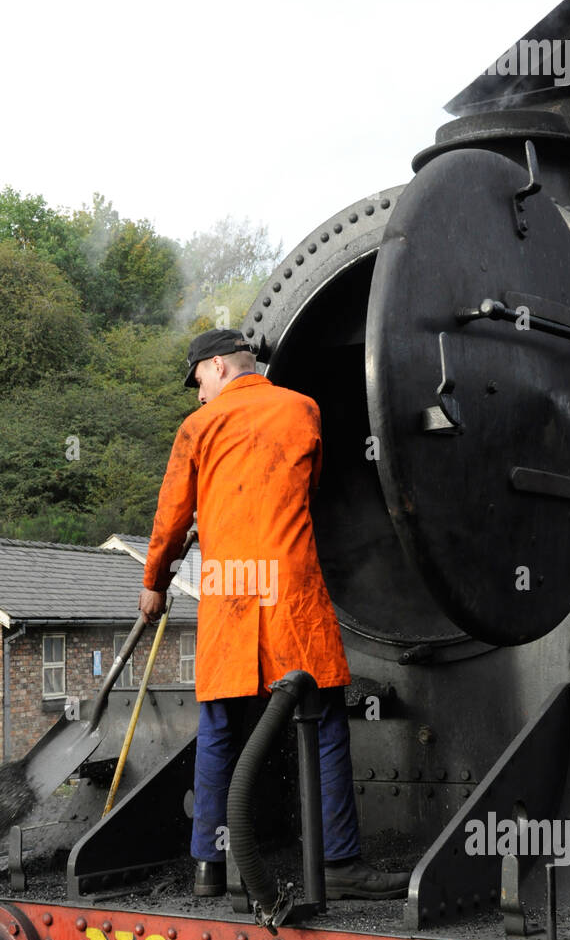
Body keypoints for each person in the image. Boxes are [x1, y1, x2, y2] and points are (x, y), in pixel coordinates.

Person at [139, 328, 407, 901]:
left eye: (198, 383)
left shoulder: (197, 428)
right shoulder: (302, 409)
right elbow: (301, 491)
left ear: (216, 367)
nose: (197, 395)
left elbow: (169, 518)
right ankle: (337, 861)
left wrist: (154, 583)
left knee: (219, 729)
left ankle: (210, 866)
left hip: (230, 594)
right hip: (290, 593)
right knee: (323, 720)